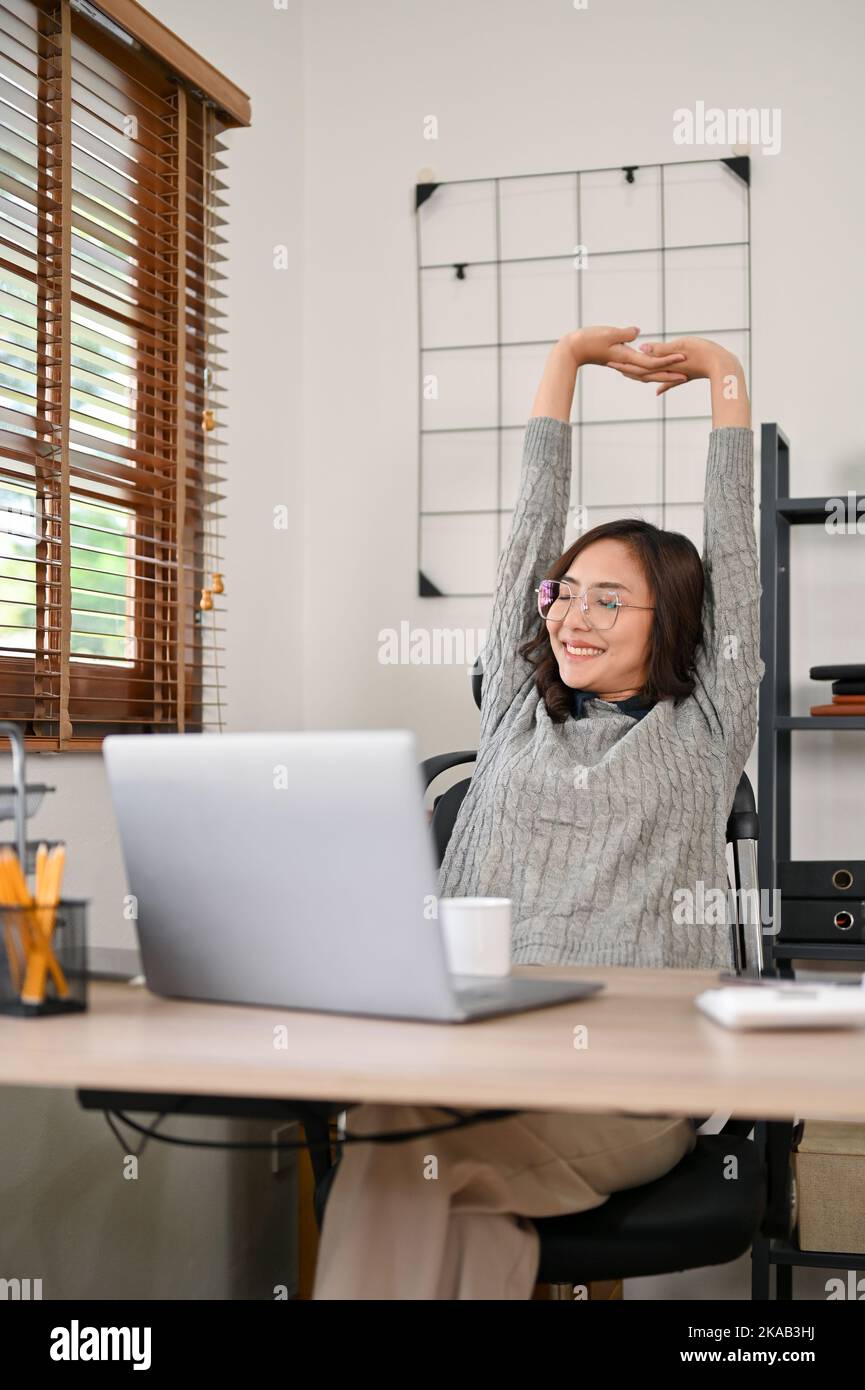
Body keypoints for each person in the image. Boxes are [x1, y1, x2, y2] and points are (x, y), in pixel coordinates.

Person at [313, 326, 763, 1300]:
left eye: (611, 600)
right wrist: (565, 360)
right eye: (567, 593)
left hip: (627, 1088)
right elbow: (530, 531)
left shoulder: (702, 728)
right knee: (438, 1188)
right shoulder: (517, 706)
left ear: (677, 623)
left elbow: (733, 536)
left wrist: (723, 376)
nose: (570, 616)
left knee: (395, 1151)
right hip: (473, 1066)